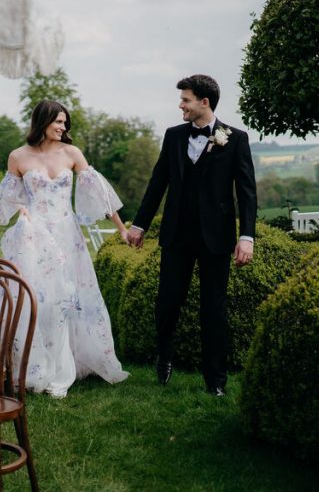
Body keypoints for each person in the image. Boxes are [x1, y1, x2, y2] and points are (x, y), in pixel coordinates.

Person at [0, 100, 130, 398]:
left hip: (67, 235)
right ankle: (34, 363)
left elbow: (98, 193)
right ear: (43, 121)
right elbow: (11, 201)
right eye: (59, 122)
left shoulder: (72, 153)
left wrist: (121, 228)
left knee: (66, 297)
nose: (64, 127)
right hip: (35, 238)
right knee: (38, 297)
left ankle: (64, 368)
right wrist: (22, 212)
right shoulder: (18, 157)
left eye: (65, 123)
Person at [126, 74, 256, 396]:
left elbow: (247, 192)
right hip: (177, 235)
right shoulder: (173, 136)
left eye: (185, 100)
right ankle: (165, 355)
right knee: (168, 302)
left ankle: (216, 381)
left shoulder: (235, 138)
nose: (180, 105)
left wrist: (247, 236)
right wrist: (139, 225)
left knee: (213, 308)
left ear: (204, 102)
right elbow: (158, 182)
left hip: (216, 238)